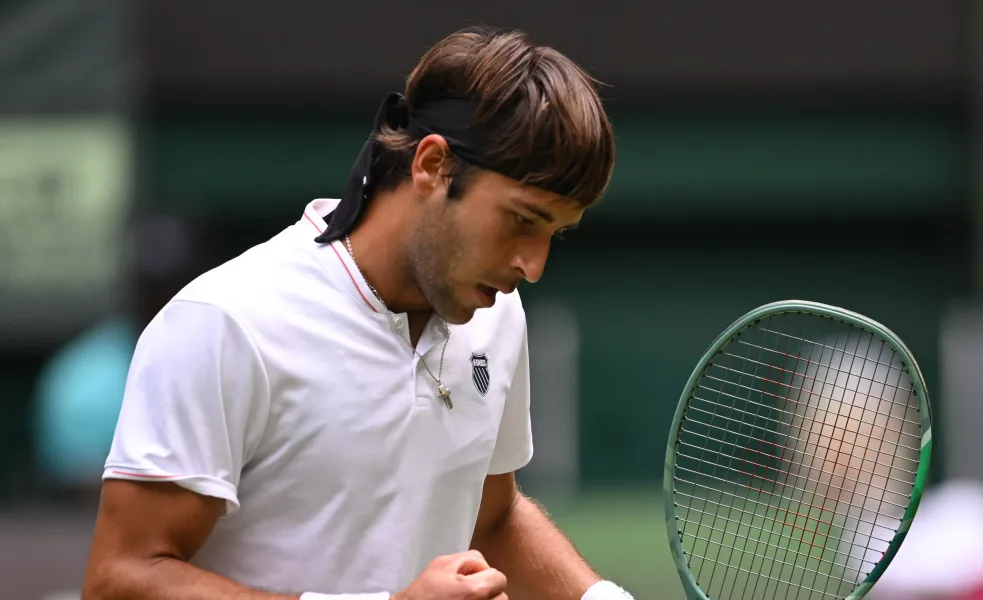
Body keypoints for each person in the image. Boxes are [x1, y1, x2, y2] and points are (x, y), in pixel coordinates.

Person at [82, 26, 628, 600]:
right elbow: (123, 578)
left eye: (555, 234)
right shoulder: (224, 322)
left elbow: (491, 517)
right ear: (433, 165)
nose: (534, 266)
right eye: (522, 219)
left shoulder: (498, 317)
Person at [31, 212, 207, 505]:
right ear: (135, 292)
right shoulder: (84, 377)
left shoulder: (242, 359)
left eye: (178, 285)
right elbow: (84, 485)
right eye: (155, 290)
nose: (167, 300)